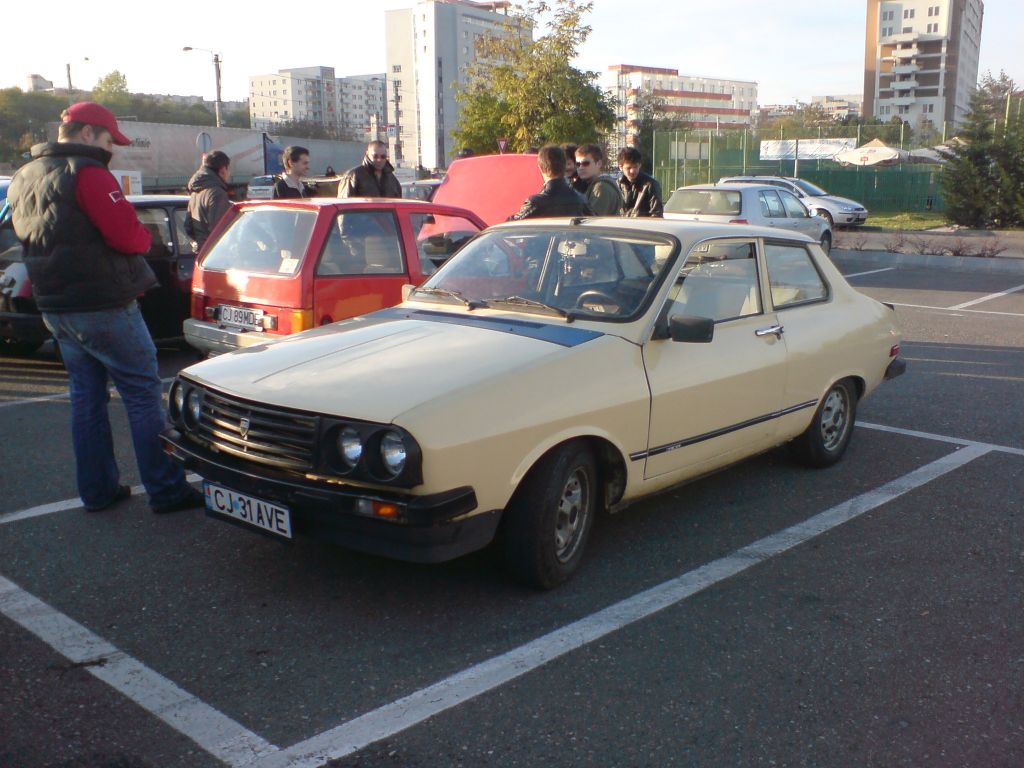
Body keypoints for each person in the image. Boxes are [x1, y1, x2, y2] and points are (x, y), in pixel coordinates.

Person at [6, 102, 202, 514]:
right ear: (89, 133)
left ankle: (97, 490)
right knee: (143, 394)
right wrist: (144, 239)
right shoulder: (90, 173)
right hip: (105, 302)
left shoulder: (23, 177)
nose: (113, 147)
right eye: (110, 139)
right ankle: (166, 489)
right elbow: (130, 238)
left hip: (55, 304)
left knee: (86, 398)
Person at [508, 145, 593, 220]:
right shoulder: (581, 200)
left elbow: (509, 226)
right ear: (564, 166)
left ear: (540, 168)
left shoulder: (535, 203)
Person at [185, 150, 231, 248]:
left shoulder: (195, 193)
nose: (228, 173)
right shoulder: (217, 194)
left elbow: (188, 227)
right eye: (228, 169)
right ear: (222, 170)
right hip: (216, 253)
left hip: (202, 254)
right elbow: (219, 229)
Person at [575, 144, 623, 216]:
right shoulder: (594, 185)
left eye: (585, 163)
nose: (581, 167)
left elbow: (592, 221)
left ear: (599, 163)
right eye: (578, 164)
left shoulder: (601, 187)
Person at [616, 147, 664, 218]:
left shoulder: (651, 185)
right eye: (629, 168)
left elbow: (656, 214)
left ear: (640, 165)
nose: (633, 171)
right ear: (620, 167)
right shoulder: (617, 185)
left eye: (635, 167)